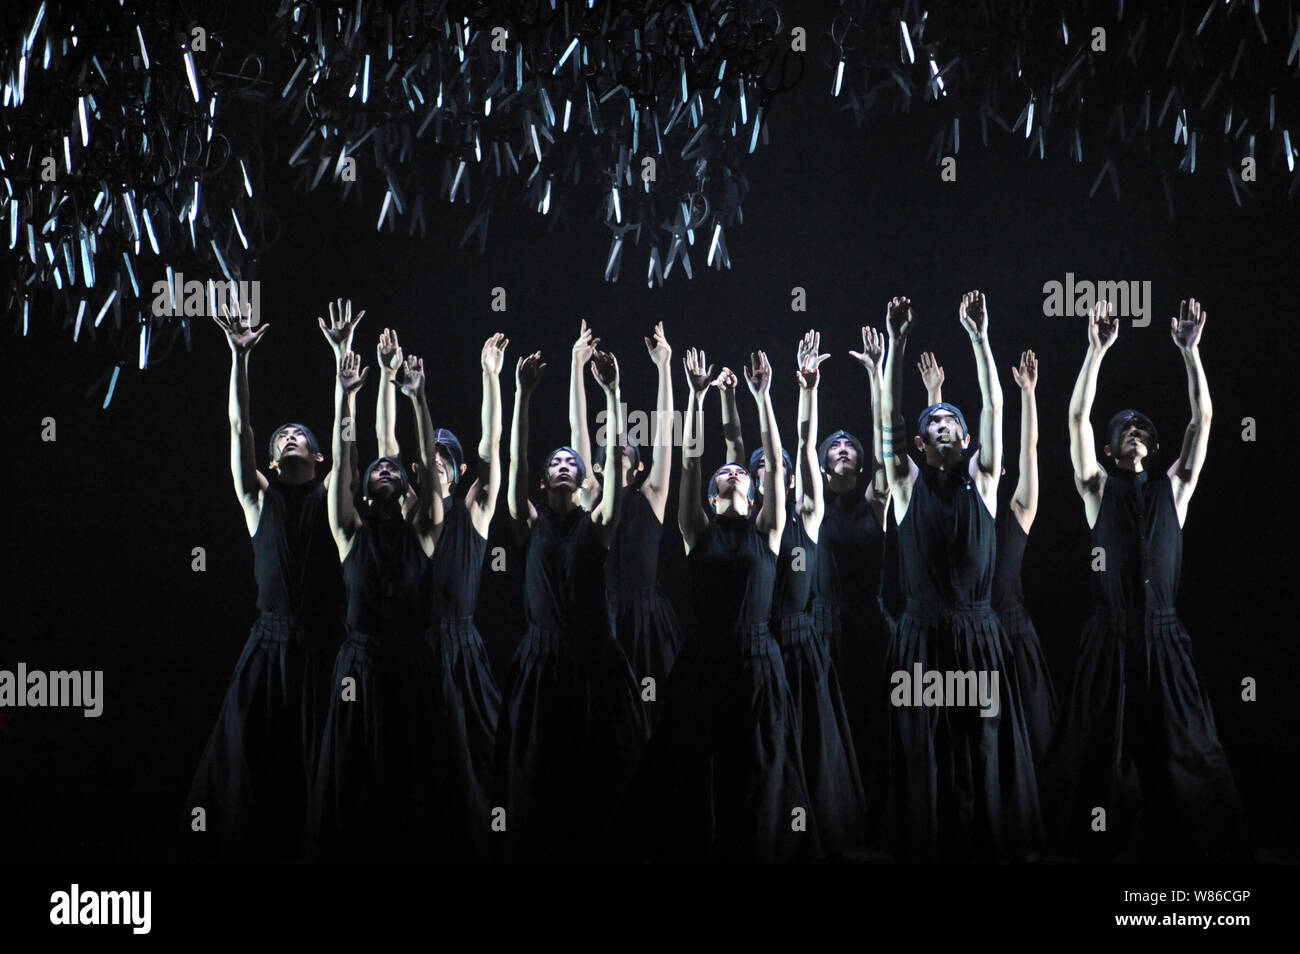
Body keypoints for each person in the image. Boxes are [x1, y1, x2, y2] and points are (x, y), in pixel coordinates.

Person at [1047, 298, 1247, 862]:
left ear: (1152, 447)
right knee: (1098, 750)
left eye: (1141, 428)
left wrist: (1190, 352)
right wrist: (1096, 350)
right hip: (1108, 638)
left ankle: (1194, 848)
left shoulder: (1173, 490)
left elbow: (1202, 421)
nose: (1133, 431)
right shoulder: (1096, 489)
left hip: (1163, 637)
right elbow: (1075, 419)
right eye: (1124, 429)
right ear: (1111, 449)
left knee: (1186, 746)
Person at [630, 347, 819, 863]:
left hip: (759, 664)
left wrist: (762, 398)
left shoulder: (769, 531)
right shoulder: (697, 531)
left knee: (760, 770)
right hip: (706, 664)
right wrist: (695, 396)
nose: (732, 471)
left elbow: (777, 465)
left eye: (740, 472)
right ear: (712, 496)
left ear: (753, 492)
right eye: (724, 473)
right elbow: (690, 461)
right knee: (702, 771)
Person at [185, 299, 350, 863]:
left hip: (321, 648)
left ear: (318, 455)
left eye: (298, 434)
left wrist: (342, 366)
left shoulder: (333, 498)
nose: (286, 438)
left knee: (314, 772)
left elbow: (346, 439)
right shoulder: (259, 499)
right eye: (280, 436)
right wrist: (239, 358)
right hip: (269, 648)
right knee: (250, 772)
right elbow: (240, 424)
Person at [879, 292, 1041, 863]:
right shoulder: (904, 484)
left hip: (978, 635)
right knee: (924, 744)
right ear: (921, 444)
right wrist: (897, 343)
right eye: (935, 422)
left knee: (982, 740)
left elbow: (994, 406)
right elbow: (888, 420)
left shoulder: (987, 479)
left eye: (952, 420)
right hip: (920, 637)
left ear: (967, 442)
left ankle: (989, 848)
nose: (944, 424)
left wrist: (978, 336)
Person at [494, 348, 645, 863]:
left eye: (571, 462)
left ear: (584, 481)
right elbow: (514, 461)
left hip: (595, 666)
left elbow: (616, 484)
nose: (562, 463)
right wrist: (523, 394)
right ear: (543, 481)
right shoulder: (526, 524)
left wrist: (612, 394)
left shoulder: (597, 526)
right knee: (538, 782)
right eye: (554, 461)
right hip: (541, 667)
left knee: (600, 779)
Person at [375, 327, 509, 862]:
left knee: (472, 758)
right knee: (412, 762)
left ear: (456, 471)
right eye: (429, 458)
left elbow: (492, 446)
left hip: (462, 651)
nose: (437, 463)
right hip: (413, 647)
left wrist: (490, 376)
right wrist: (388, 380)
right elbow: (386, 444)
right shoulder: (410, 511)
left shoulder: (474, 512)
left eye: (446, 459)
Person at [310, 347, 445, 863]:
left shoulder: (424, 534)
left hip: (411, 666)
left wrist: (418, 398)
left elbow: (431, 475)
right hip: (360, 670)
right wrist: (345, 398)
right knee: (356, 779)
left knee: (411, 781)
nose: (385, 468)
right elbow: (343, 463)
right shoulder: (348, 532)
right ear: (365, 490)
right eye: (378, 468)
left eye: (394, 467)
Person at [921, 348, 1058, 770]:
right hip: (971, 631)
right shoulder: (963, 507)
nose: (987, 467)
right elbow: (936, 474)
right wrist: (935, 394)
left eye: (992, 464)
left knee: (1029, 732)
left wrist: (1029, 395)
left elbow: (1028, 448)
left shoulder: (1017, 511)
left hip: (1011, 632)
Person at [568, 320, 684, 728]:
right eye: (614, 450)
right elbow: (579, 431)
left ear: (637, 469)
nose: (623, 449)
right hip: (603, 615)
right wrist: (576, 367)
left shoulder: (652, 496)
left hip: (648, 623)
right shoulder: (591, 498)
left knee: (653, 716)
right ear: (597, 468)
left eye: (630, 450)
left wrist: (664, 367)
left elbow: (666, 431)